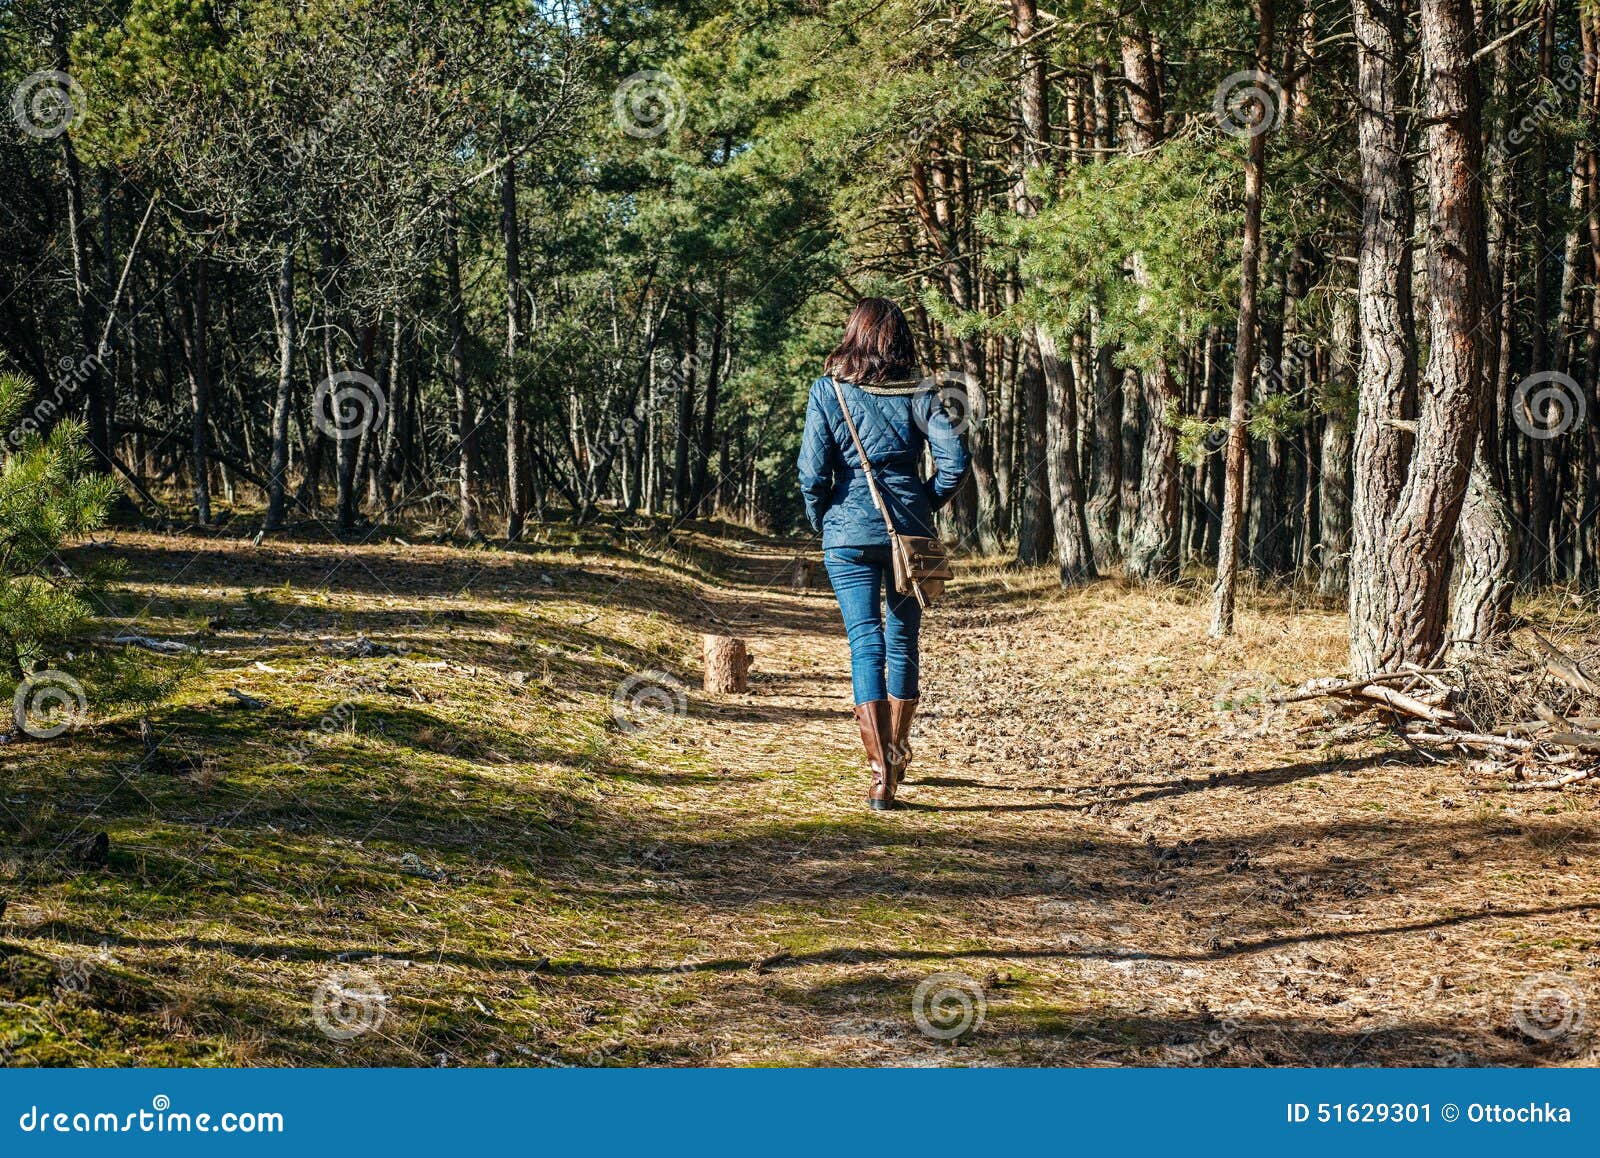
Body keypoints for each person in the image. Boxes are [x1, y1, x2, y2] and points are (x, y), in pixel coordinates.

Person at [797, 299, 970, 810]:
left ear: (853, 335)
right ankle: (894, 756)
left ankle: (880, 779)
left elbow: (811, 474)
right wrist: (923, 503)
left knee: (863, 643)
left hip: (846, 535)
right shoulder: (921, 392)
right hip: (910, 536)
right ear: (899, 341)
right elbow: (955, 461)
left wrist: (825, 521)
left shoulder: (827, 391)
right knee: (903, 640)